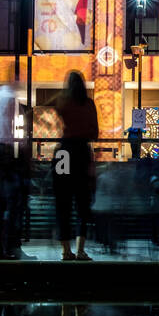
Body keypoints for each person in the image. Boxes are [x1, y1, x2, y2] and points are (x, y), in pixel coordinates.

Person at [50, 70, 99, 262]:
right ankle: (80, 250)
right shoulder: (88, 103)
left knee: (62, 203)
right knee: (82, 203)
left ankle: (65, 251)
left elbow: (34, 112)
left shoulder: (62, 100)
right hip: (81, 152)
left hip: (63, 153)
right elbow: (95, 133)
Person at [0, 85, 25, 261]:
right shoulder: (8, 97)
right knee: (13, 201)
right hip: (2, 150)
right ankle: (11, 246)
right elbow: (7, 129)